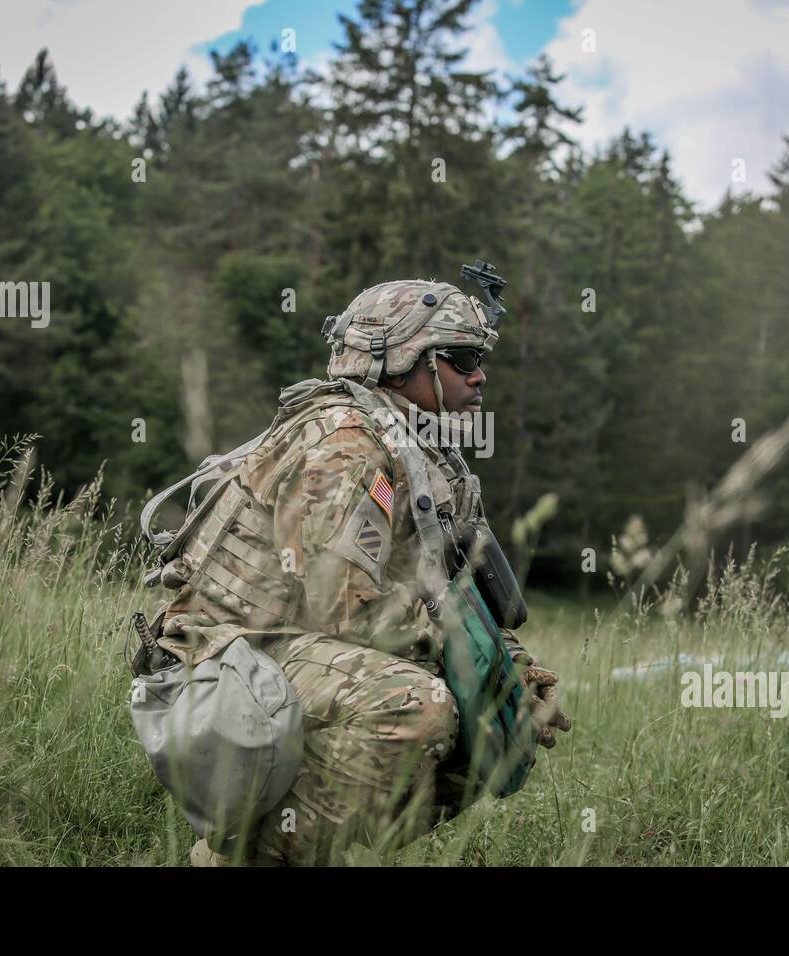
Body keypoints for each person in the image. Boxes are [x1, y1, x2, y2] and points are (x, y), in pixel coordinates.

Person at [154, 272, 570, 866]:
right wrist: (473, 662)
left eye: (480, 359)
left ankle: (320, 851)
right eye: (462, 358)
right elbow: (343, 605)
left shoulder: (425, 453)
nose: (479, 375)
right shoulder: (345, 443)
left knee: (498, 728)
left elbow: (450, 592)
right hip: (229, 650)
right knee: (414, 704)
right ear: (400, 362)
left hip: (302, 646)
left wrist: (510, 670)